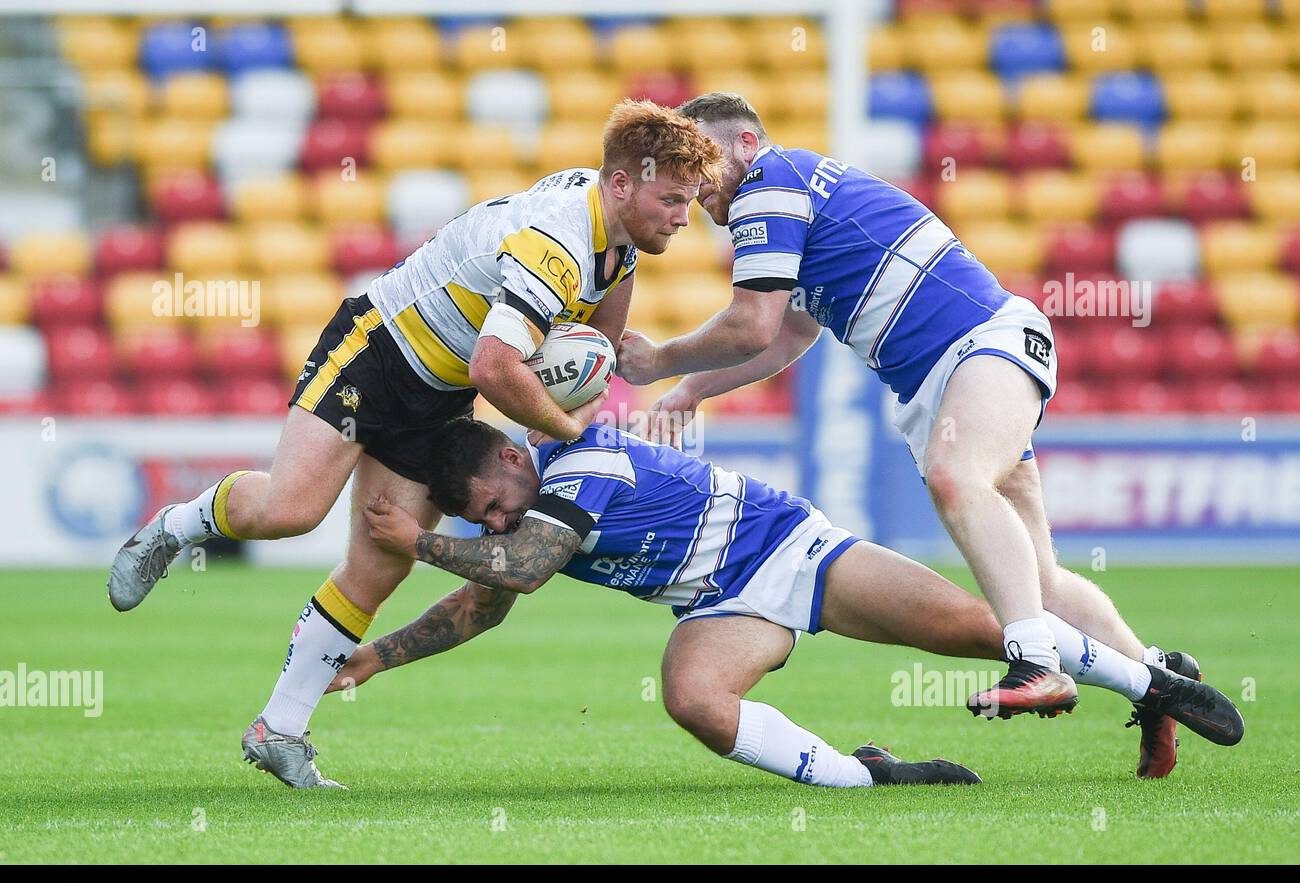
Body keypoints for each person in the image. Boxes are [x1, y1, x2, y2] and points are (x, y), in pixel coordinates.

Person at [106, 99, 724, 788]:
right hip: (377, 351)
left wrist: (592, 371)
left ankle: (278, 729)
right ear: (620, 184)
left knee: (382, 560)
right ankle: (171, 529)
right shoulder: (558, 243)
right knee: (290, 510)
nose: (683, 215)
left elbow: (600, 352)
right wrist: (570, 430)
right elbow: (496, 366)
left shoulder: (616, 238)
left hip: (438, 393)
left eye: (689, 202)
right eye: (672, 199)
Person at [615, 93, 1186, 774]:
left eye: (706, 159)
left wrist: (658, 362)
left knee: (956, 477)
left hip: (980, 344)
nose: (698, 181)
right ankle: (1160, 681)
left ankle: (1037, 662)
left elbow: (751, 325)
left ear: (744, 142)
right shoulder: (795, 199)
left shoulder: (769, 184)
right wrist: (691, 389)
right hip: (955, 374)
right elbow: (787, 337)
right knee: (1038, 580)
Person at [322, 418, 1241, 791]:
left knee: (995, 630)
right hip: (718, 604)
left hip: (793, 549)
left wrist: (419, 544)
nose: (493, 521)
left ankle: (1152, 680)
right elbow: (486, 602)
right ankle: (868, 775)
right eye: (481, 517)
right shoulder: (527, 509)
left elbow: (515, 567)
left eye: (490, 502)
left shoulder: (580, 465)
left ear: (513, 458)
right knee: (692, 697)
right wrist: (381, 653)